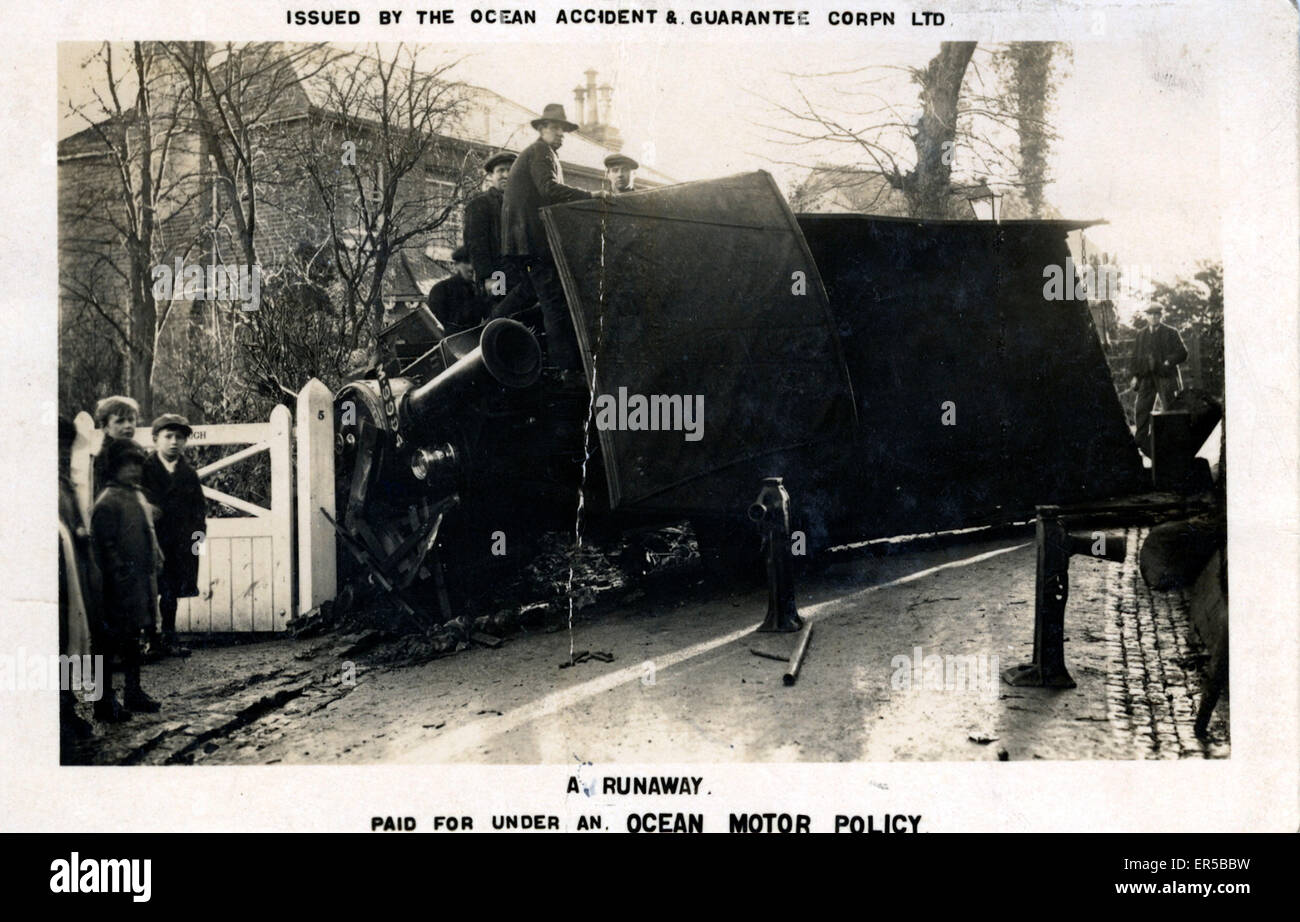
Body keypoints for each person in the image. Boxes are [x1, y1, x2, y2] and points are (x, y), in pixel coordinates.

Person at [502, 103, 611, 373]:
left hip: (523, 242)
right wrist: (589, 196)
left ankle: (486, 327)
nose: (561, 134)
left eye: (564, 130)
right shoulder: (542, 151)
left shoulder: (539, 152)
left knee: (528, 292)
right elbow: (549, 189)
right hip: (534, 241)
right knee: (555, 303)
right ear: (541, 129)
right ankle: (567, 371)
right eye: (556, 128)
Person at [90, 437, 161, 718]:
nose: (133, 471)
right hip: (114, 587)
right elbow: (105, 546)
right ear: (112, 468)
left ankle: (134, 692)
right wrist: (119, 573)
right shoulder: (108, 501)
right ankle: (102, 700)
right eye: (125, 466)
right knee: (106, 643)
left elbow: (146, 531)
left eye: (137, 465)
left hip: (136, 584)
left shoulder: (135, 495)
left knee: (132, 638)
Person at [142, 414, 204, 659]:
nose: (174, 442)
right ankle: (149, 639)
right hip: (152, 541)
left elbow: (199, 511)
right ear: (156, 439)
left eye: (179, 437)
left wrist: (198, 543)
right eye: (168, 436)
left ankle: (169, 636)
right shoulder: (145, 470)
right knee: (147, 591)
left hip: (179, 544)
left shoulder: (188, 474)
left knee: (170, 593)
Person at [58, 416, 97, 740]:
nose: (59, 453)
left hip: (68, 568)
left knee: (68, 634)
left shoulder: (65, 484)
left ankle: (65, 704)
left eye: (64, 447)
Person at [464, 151, 533, 320]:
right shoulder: (480, 205)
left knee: (524, 321)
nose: (506, 175)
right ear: (491, 176)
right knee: (499, 317)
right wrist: (488, 277)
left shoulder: (523, 206)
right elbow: (475, 245)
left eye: (510, 170)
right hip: (497, 274)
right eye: (500, 170)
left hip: (522, 275)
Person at [1129, 304, 1188, 457]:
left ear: (1161, 316)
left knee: (1170, 408)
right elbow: (1135, 357)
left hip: (1165, 375)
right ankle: (1140, 443)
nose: (1153, 317)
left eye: (1156, 314)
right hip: (1146, 376)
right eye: (1150, 314)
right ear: (1146, 316)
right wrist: (1135, 376)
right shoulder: (1141, 335)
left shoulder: (1171, 332)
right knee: (1141, 408)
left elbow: (1183, 353)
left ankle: (1175, 445)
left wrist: (1169, 361)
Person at [427, 246, 489, 335]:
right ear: (456, 265)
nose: (471, 267)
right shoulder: (441, 289)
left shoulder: (481, 290)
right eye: (467, 262)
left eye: (475, 262)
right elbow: (434, 325)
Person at [92, 395, 140, 490]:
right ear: (105, 427)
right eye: (120, 421)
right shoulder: (107, 455)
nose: (128, 425)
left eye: (131, 420)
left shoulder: (136, 449)